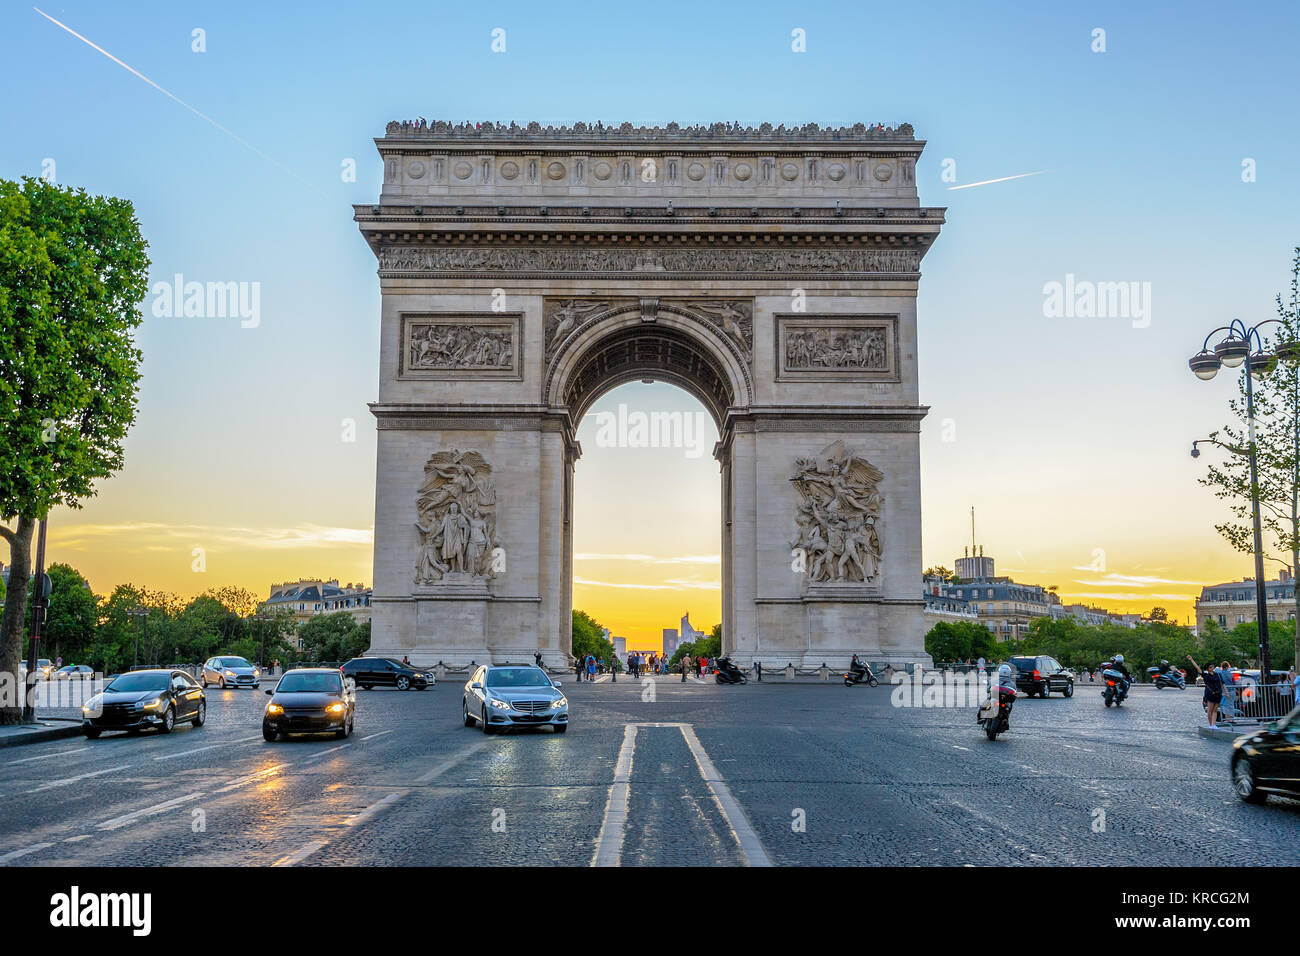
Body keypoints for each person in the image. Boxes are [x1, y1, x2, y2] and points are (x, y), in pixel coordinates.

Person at [1187, 655, 1221, 727]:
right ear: (1208, 669)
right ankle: (1211, 724)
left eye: (1213, 666)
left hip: (1218, 694)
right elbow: (1197, 668)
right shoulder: (1205, 675)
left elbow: (1221, 683)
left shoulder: (1217, 675)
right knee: (1210, 710)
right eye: (1211, 667)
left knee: (1215, 710)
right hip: (1210, 694)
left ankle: (1213, 724)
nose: (1212, 668)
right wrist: (1191, 660)